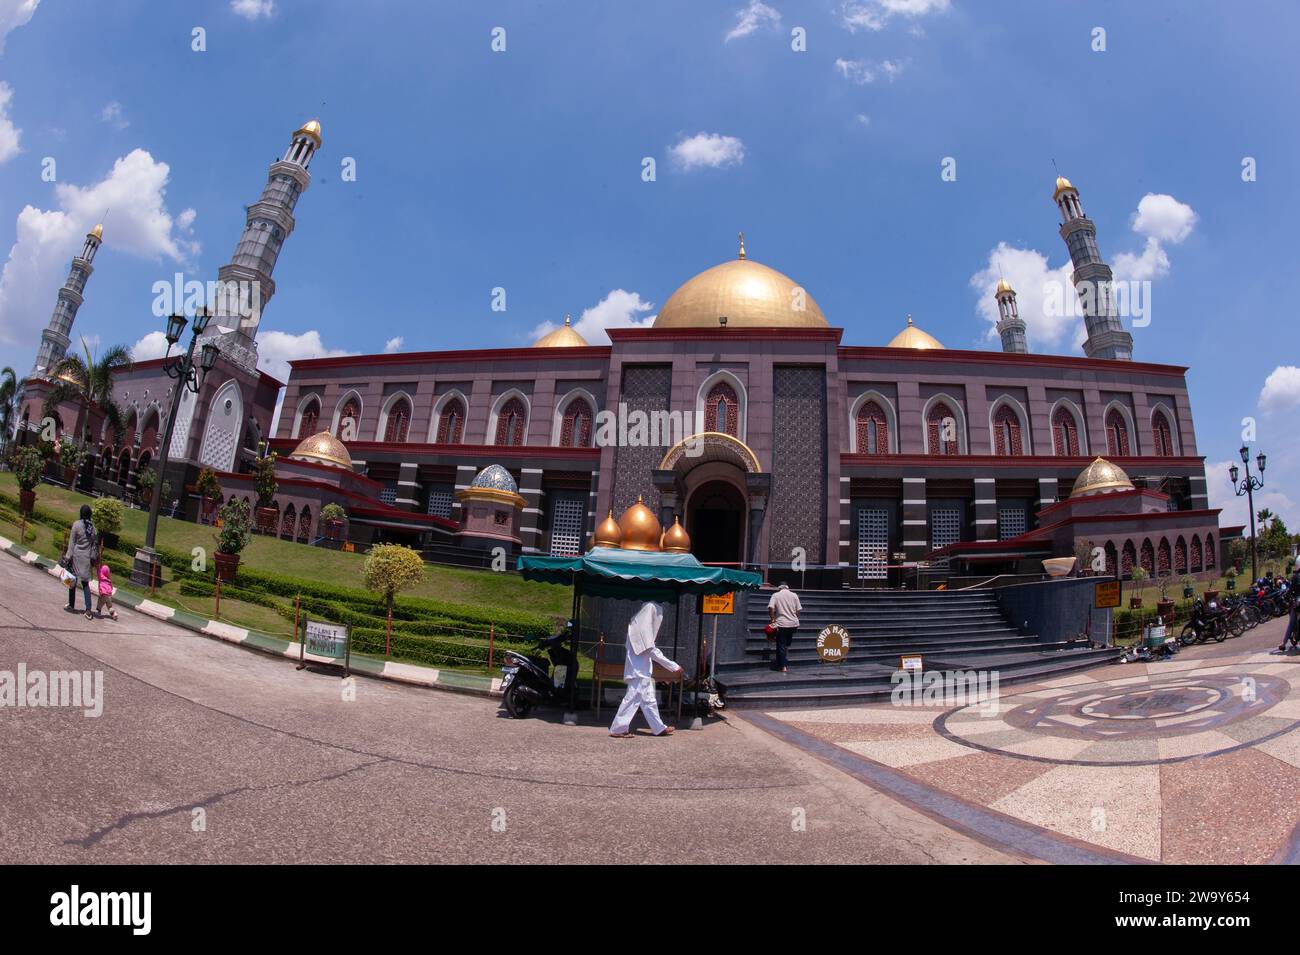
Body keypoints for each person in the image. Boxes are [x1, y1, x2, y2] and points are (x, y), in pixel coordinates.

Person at [609, 601, 682, 738]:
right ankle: (618, 729)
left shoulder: (636, 627)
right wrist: (673, 666)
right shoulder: (641, 630)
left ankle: (658, 728)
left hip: (640, 670)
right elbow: (651, 650)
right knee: (632, 699)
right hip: (638, 671)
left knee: (648, 700)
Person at [63, 504, 97, 619]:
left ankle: (71, 605)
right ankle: (88, 610)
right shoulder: (93, 528)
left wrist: (67, 557)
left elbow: (72, 543)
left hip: (76, 558)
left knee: (72, 582)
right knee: (86, 584)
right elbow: (93, 546)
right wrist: (93, 559)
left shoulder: (77, 525)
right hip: (86, 559)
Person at [767, 582, 802, 673]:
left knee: (781, 644)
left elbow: (771, 608)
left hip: (781, 624)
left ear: (779, 588)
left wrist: (773, 619)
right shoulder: (794, 595)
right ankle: (781, 662)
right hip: (793, 624)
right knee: (786, 644)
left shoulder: (776, 595)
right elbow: (798, 610)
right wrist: (795, 619)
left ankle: (783, 666)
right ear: (787, 587)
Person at [96, 556, 118, 621]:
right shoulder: (108, 580)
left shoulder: (100, 575)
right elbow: (111, 586)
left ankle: (99, 612)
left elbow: (98, 569)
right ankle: (114, 613)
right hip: (108, 594)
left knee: (100, 602)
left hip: (103, 593)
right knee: (109, 605)